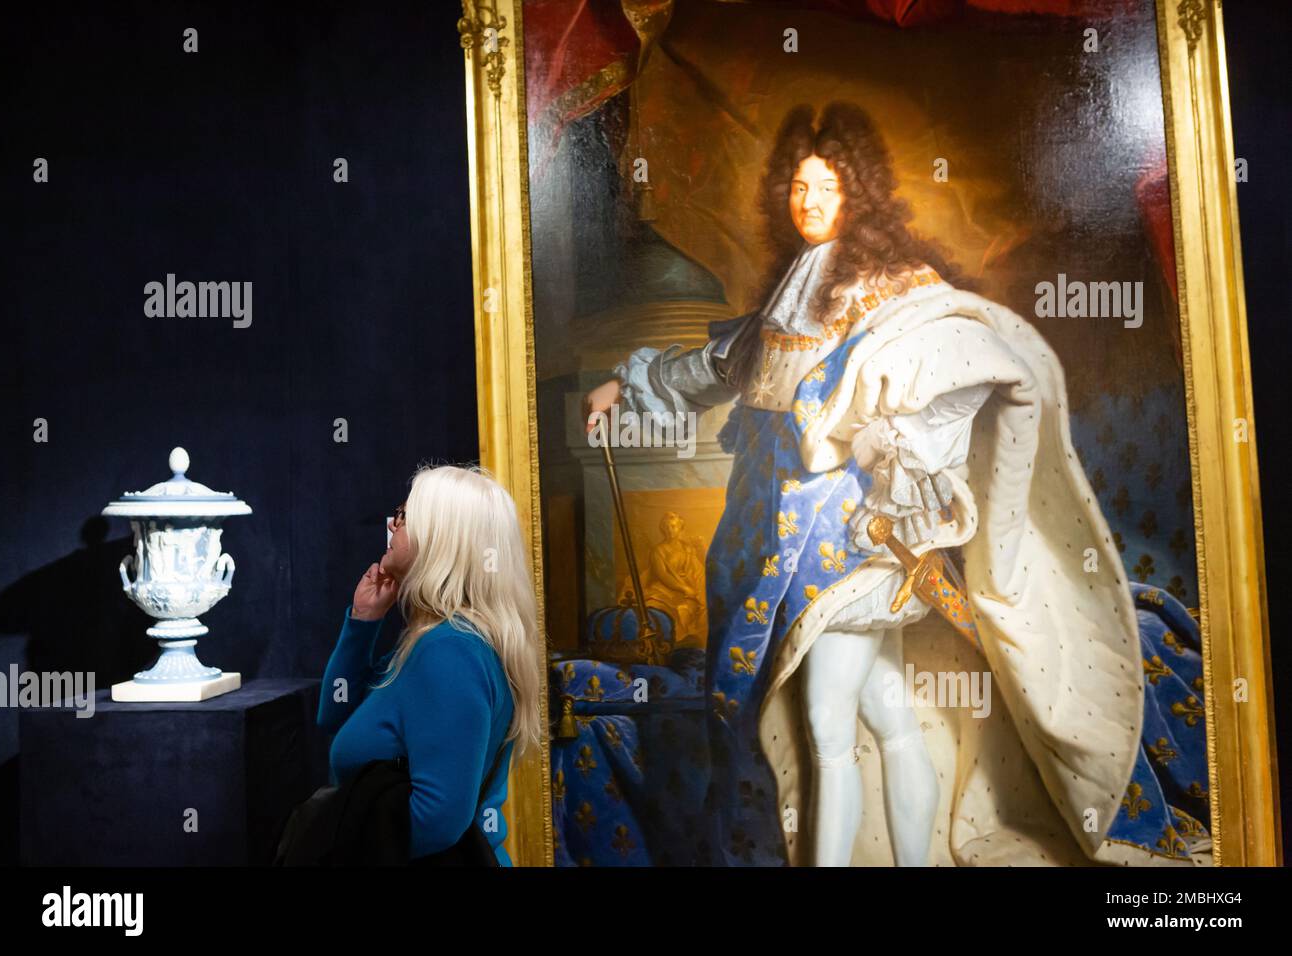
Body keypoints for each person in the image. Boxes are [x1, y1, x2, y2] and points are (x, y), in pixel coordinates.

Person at [582, 102, 1159, 867]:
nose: (810, 200)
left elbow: (968, 369)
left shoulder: (894, 286)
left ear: (858, 194)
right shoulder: (793, 286)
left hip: (850, 541)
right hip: (768, 538)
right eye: (798, 186)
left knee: (826, 724)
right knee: (884, 710)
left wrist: (900, 443)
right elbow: (725, 370)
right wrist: (628, 385)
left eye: (826, 186)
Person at [315, 464, 540, 866]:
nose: (391, 525)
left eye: (403, 515)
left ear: (439, 538)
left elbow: (437, 821)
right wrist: (362, 624)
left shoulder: (450, 650)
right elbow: (334, 716)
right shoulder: (435, 639)